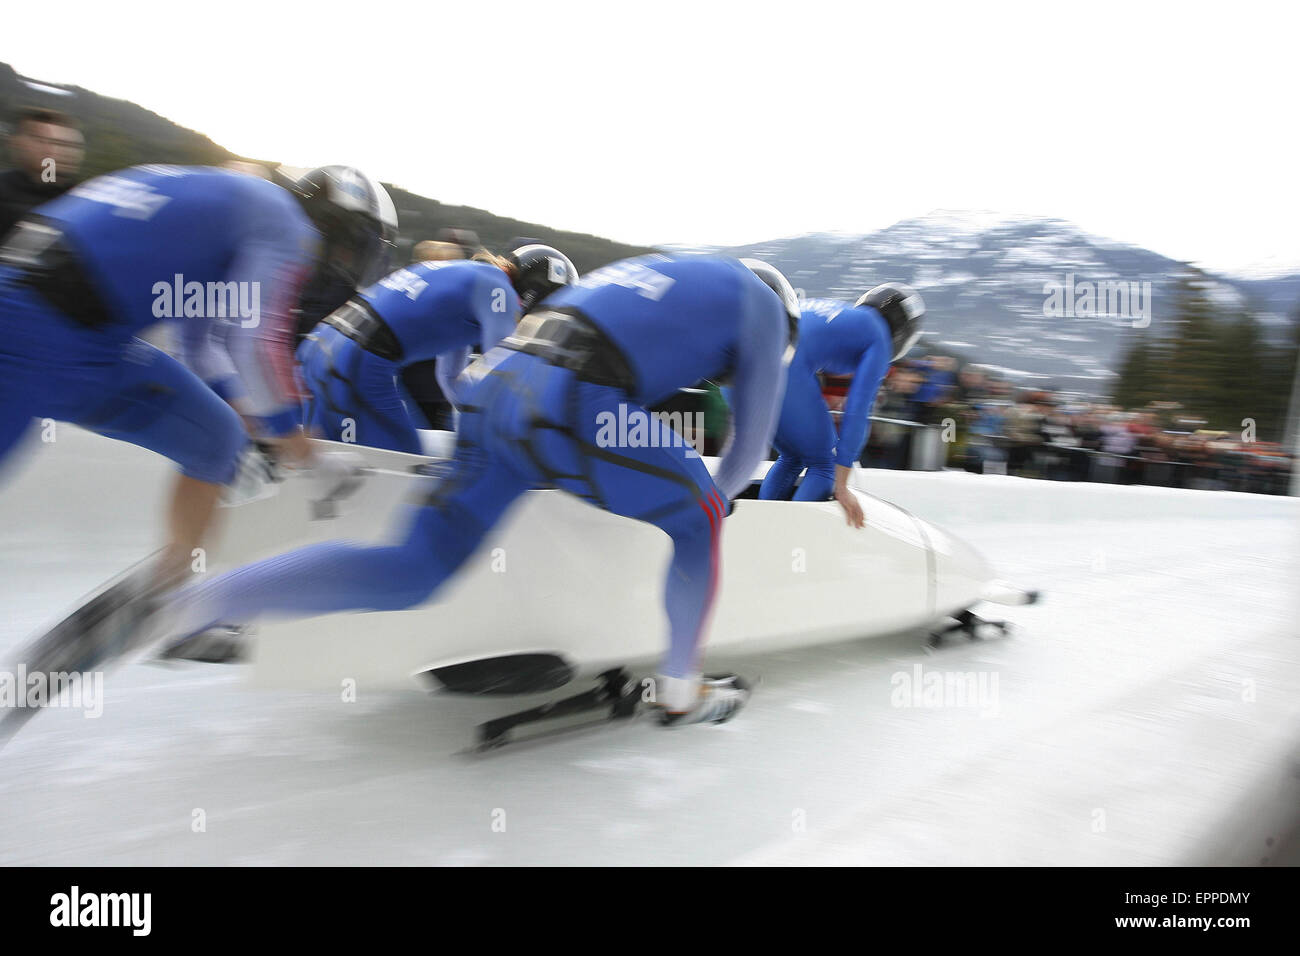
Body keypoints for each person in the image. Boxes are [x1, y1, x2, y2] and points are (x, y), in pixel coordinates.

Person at [148, 254, 799, 726]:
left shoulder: (668, 273)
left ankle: (200, 601)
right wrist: (713, 498)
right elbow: (746, 449)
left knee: (415, 568)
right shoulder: (762, 305)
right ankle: (681, 689)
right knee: (703, 515)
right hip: (572, 400)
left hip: (493, 398)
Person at [0, 162, 394, 585]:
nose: (343, 262)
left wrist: (247, 412)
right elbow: (256, 344)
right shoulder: (286, 225)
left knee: (216, 438)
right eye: (351, 249)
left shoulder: (233, 204)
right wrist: (302, 449)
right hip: (34, 330)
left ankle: (173, 592)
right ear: (338, 225)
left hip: (74, 334)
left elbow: (198, 345)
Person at [296, 245, 577, 453]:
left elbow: (451, 377)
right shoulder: (498, 289)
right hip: (360, 360)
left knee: (322, 465)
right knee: (402, 464)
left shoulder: (472, 281)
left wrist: (470, 419)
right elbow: (503, 377)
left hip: (322, 345)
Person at [759, 283, 924, 525]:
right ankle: (787, 538)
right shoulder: (878, 337)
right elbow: (858, 410)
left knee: (794, 456)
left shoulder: (841, 313)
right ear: (902, 333)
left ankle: (763, 528)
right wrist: (842, 483)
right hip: (781, 365)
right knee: (825, 463)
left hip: (737, 369)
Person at [0, 107, 85, 239]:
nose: (67, 152)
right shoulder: (5, 194)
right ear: (18, 144)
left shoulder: (84, 201)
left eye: (73, 145)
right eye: (55, 143)